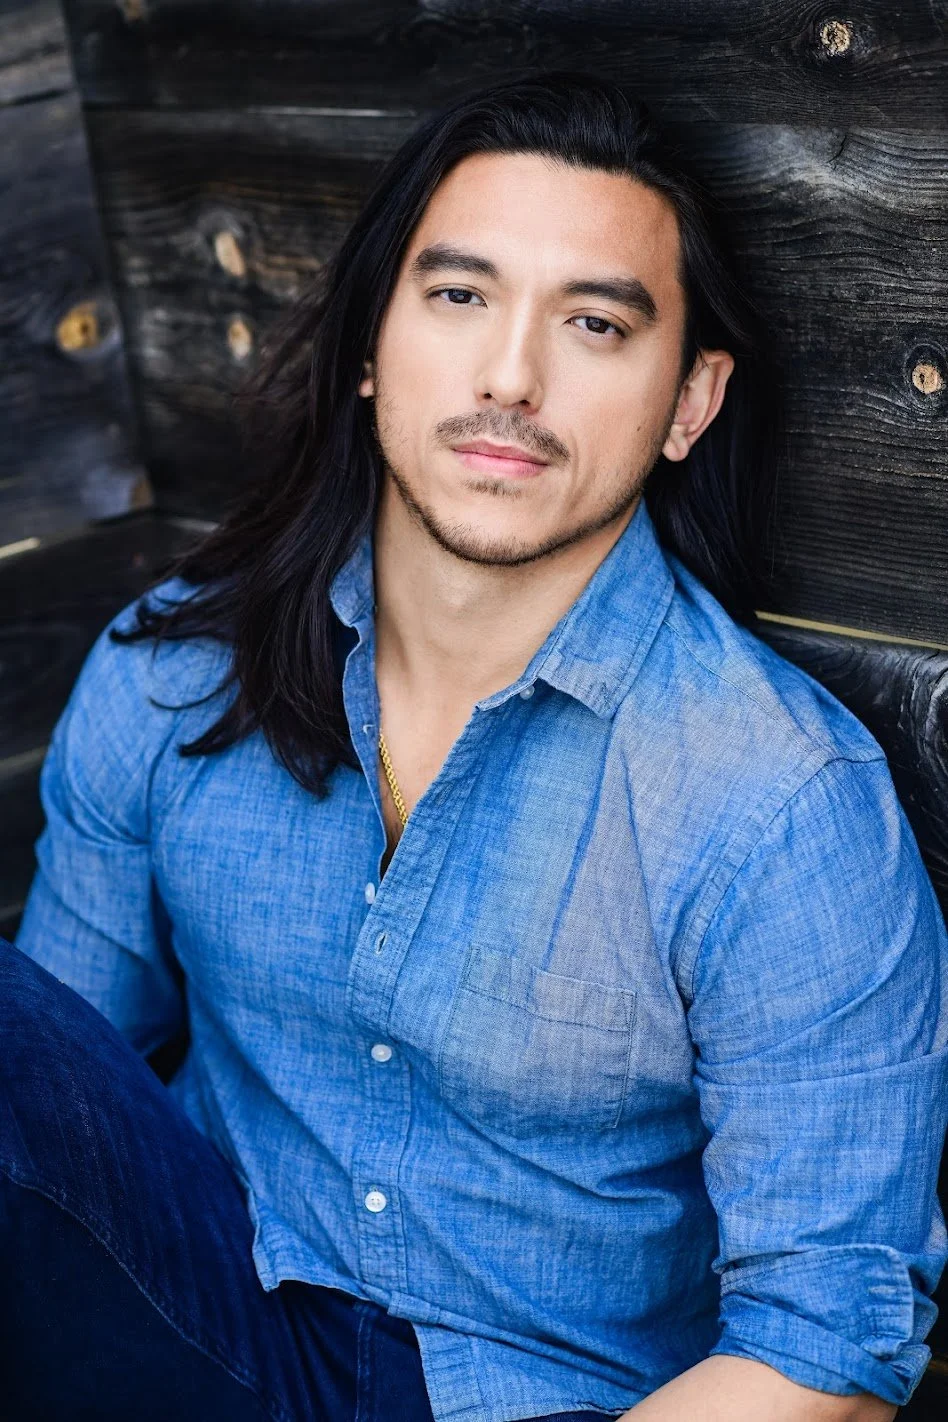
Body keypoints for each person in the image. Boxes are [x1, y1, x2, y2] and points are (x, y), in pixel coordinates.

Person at [5, 69, 947, 1422]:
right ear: (371, 345)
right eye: (459, 296)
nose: (512, 376)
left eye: (596, 325)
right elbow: (56, 1102)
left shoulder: (780, 803)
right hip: (208, 1320)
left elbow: (826, 1353)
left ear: (689, 402)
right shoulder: (173, 675)